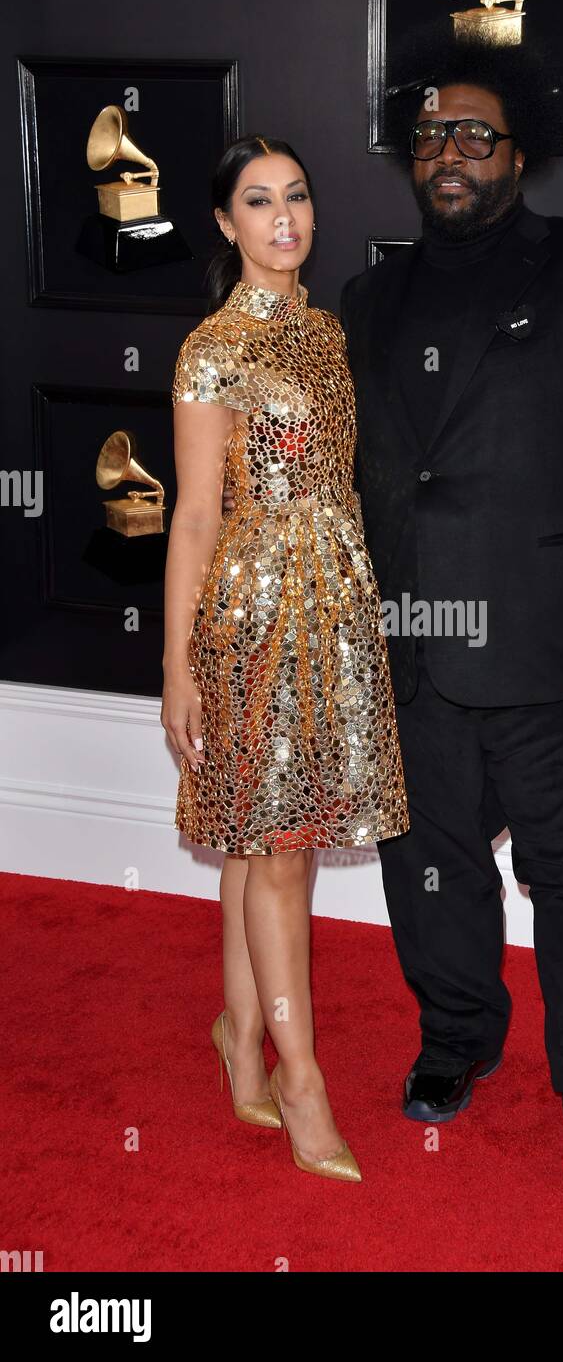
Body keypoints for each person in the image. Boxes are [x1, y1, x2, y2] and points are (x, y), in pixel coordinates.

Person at [337, 41, 563, 1206]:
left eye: (473, 135)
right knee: (426, 874)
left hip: (561, 655)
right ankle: (456, 1039)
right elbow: (370, 478)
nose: (449, 152)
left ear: (517, 154)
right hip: (413, 653)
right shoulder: (370, 295)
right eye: (430, 134)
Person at [162, 133, 409, 1184]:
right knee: (279, 852)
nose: (283, 218)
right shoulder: (210, 348)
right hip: (249, 619)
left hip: (335, 609)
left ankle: (238, 1030)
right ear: (225, 225)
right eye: (257, 202)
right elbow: (195, 517)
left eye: (295, 196)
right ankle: (300, 1077)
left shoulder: (329, 330)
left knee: (256, 839)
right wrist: (178, 666)